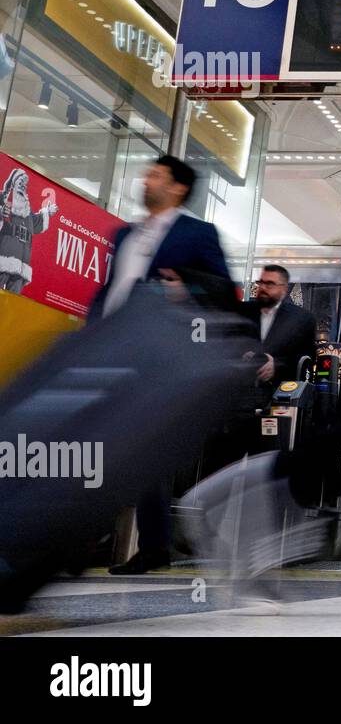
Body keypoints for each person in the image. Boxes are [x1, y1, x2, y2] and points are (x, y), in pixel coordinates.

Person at [92, 155, 239, 575]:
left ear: (177, 187)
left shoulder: (197, 234)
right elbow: (111, 290)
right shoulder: (125, 235)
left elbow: (223, 291)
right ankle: (123, 540)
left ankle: (146, 543)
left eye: (156, 175)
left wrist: (185, 289)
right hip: (107, 350)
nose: (146, 179)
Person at [243, 264, 316, 393]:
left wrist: (276, 366)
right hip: (240, 393)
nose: (263, 288)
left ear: (284, 289)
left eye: (270, 284)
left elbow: (306, 360)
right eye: (261, 282)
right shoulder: (241, 312)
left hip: (280, 394)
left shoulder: (302, 319)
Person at [0, 166, 57, 294]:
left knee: (13, 299)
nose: (22, 185)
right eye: (19, 181)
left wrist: (47, 212)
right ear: (13, 184)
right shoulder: (3, 199)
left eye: (24, 183)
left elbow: (36, 224)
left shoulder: (26, 210)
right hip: (4, 254)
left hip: (22, 260)